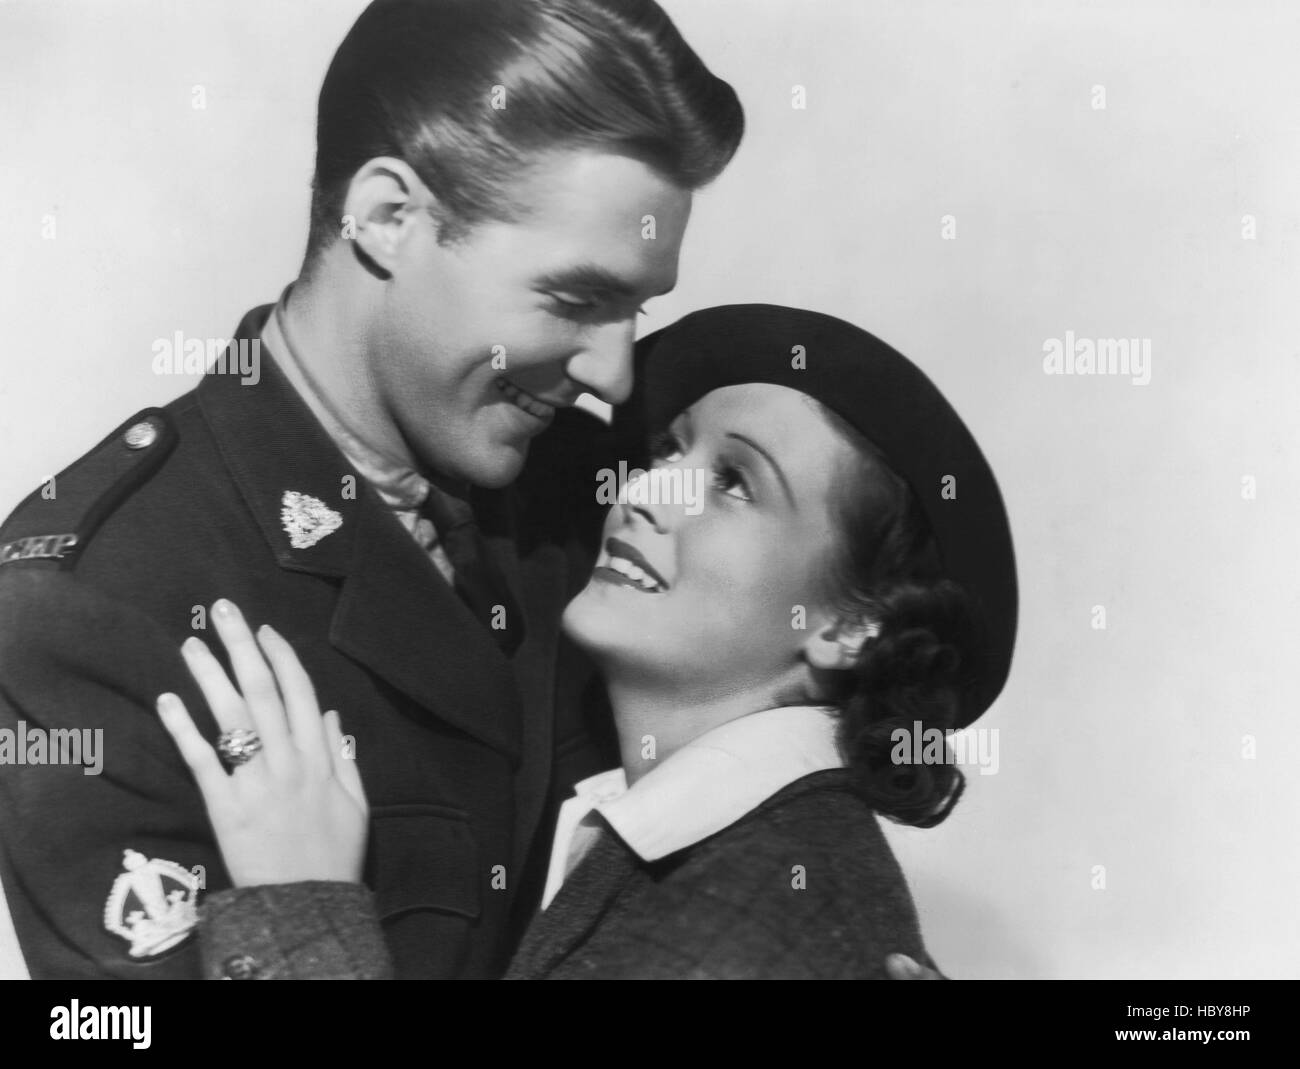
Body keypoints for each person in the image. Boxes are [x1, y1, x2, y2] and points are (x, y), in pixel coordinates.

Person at [0, 0, 743, 979]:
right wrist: (299, 919)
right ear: (389, 217)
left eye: (635, 310)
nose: (612, 374)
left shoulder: (585, 498)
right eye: (576, 300)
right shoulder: (93, 602)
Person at [158, 305, 1019, 979]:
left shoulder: (745, 926)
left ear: (850, 624)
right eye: (669, 449)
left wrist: (299, 910)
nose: (645, 492)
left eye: (733, 483)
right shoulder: (729, 845)